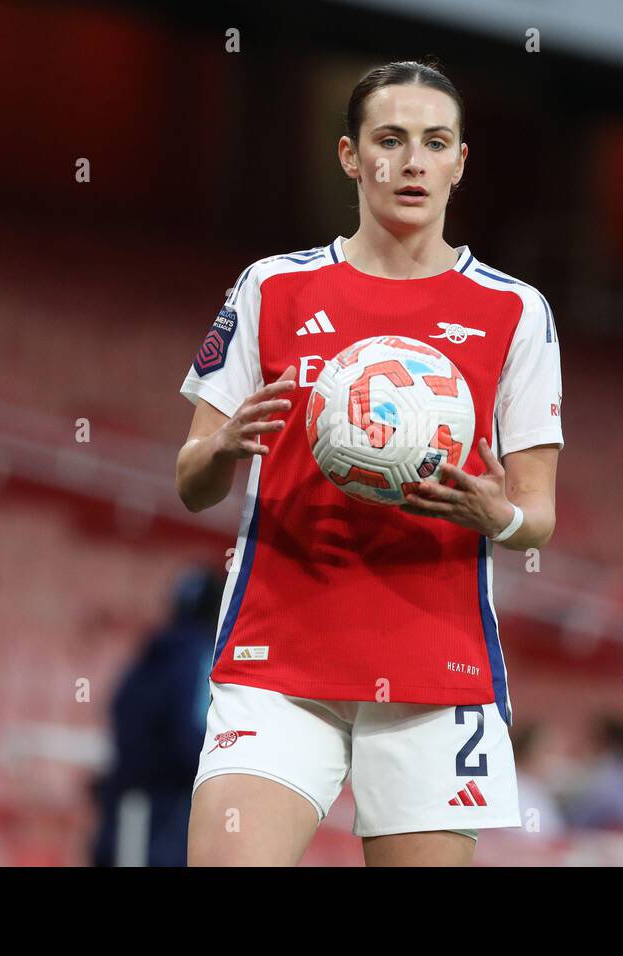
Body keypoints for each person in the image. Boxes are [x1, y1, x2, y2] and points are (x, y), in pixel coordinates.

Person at [176, 60, 564, 866]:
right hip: (277, 660)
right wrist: (222, 447)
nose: (413, 162)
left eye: (435, 142)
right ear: (351, 157)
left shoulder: (515, 311)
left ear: (461, 162)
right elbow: (191, 481)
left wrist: (499, 516)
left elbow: (537, 518)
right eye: (390, 140)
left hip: (436, 672)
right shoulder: (270, 288)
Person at [90, 568, 223, 866]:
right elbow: (193, 740)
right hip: (168, 815)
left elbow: (118, 709)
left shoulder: (151, 651)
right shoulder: (200, 655)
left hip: (123, 805)